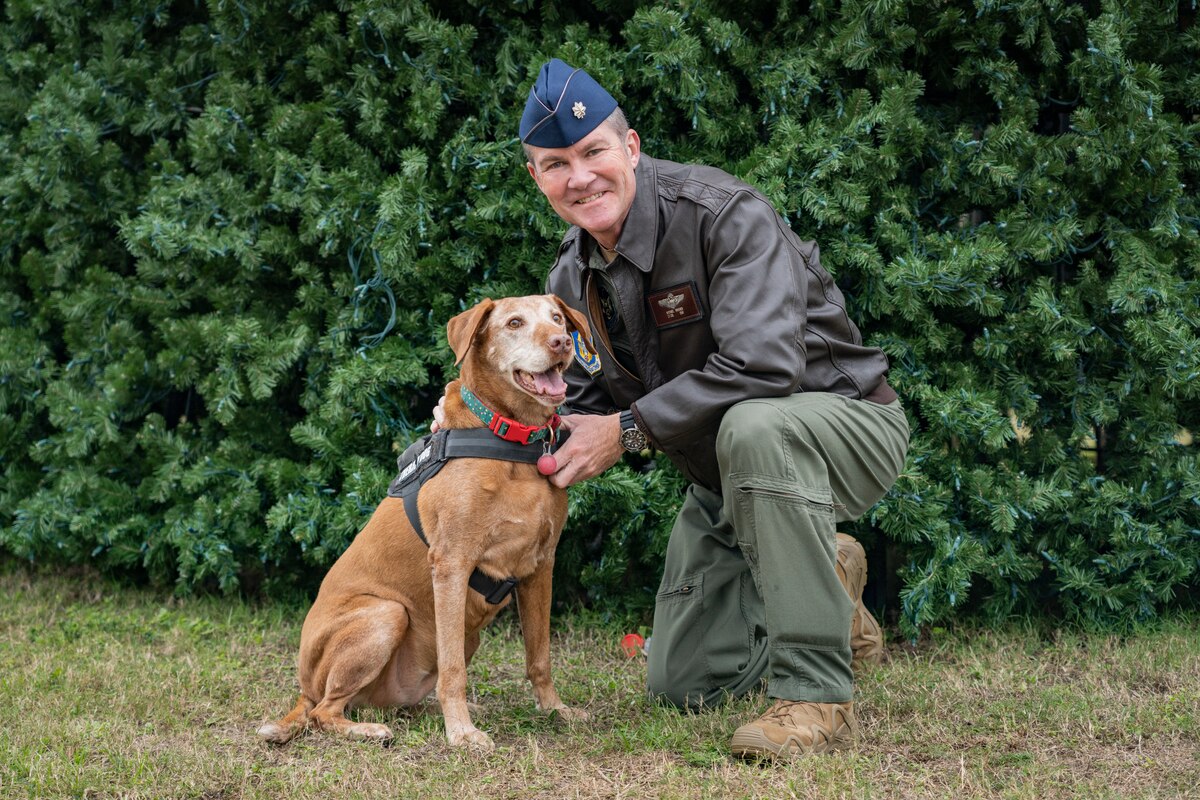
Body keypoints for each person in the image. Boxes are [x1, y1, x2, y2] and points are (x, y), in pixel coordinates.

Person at [513, 59, 910, 759]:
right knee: (685, 684)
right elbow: (575, 412)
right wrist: (477, 421)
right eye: (556, 164)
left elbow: (765, 367)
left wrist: (628, 430)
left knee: (753, 425)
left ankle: (815, 696)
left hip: (845, 428)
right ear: (536, 178)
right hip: (728, 480)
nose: (580, 177)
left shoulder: (724, 214)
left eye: (594, 152)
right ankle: (828, 577)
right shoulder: (570, 276)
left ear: (631, 147)